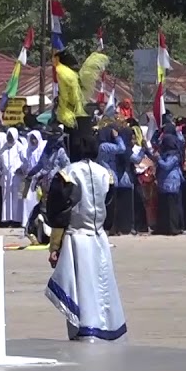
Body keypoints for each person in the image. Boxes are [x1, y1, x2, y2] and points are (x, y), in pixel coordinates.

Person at [44, 127, 126, 342]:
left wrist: (54, 246)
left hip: (75, 239)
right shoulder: (106, 175)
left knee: (81, 286)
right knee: (101, 284)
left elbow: (59, 213)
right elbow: (110, 213)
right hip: (99, 238)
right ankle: (106, 328)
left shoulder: (67, 175)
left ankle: (85, 330)